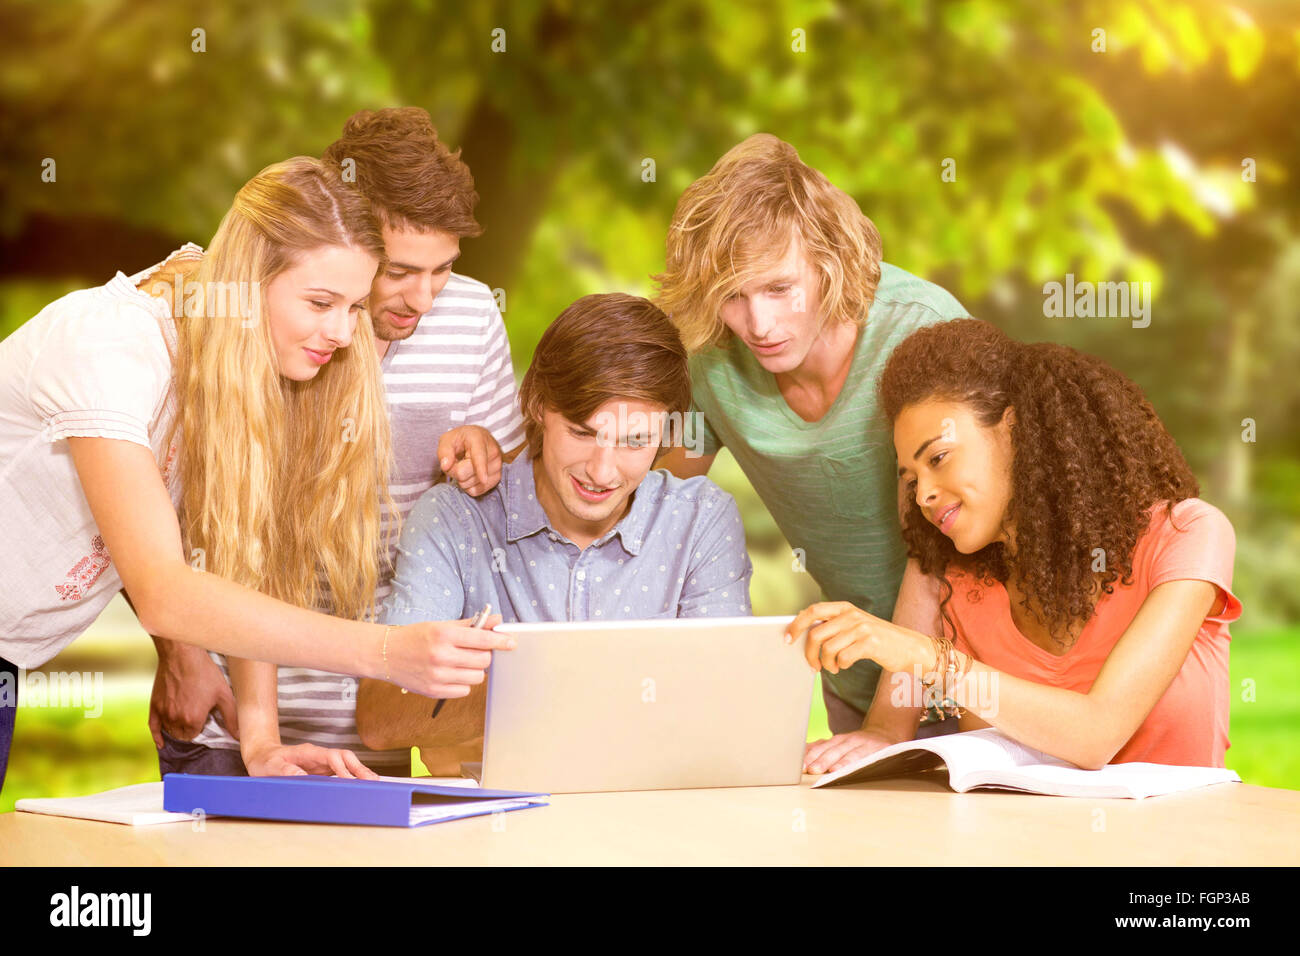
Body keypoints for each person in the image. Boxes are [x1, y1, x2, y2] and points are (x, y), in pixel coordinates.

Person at [0, 156, 509, 792]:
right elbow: (163, 591)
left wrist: (262, 740)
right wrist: (385, 651)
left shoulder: (243, 356)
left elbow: (241, 552)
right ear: (247, 280)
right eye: (321, 302)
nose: (343, 333)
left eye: (353, 306)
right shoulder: (110, 348)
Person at [149, 108, 528, 778]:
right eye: (400, 270)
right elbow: (175, 518)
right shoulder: (260, 326)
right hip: (231, 703)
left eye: (442, 269)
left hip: (378, 698)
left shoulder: (471, 317)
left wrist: (487, 457)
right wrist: (179, 652)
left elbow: (500, 527)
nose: (424, 298)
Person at [793, 319, 1241, 770]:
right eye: (910, 477)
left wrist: (927, 656)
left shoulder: (1187, 536)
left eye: (939, 458)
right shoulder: (942, 574)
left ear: (1013, 429)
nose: (923, 493)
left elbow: (1096, 735)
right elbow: (888, 730)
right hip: (1024, 838)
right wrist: (865, 742)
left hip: (1182, 838)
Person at [354, 293, 754, 774]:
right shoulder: (455, 519)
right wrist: (598, 690)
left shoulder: (701, 522)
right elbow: (383, 718)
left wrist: (488, 701)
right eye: (583, 432)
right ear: (539, 405)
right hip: (496, 832)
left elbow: (725, 711)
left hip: (653, 825)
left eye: (635, 441)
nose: (603, 472)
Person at [653, 133, 968, 741]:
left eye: (778, 288)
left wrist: (885, 731)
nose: (758, 325)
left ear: (831, 263)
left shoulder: (923, 337)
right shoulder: (712, 361)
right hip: (855, 678)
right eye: (732, 296)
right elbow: (656, 512)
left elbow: (939, 556)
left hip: (979, 677)